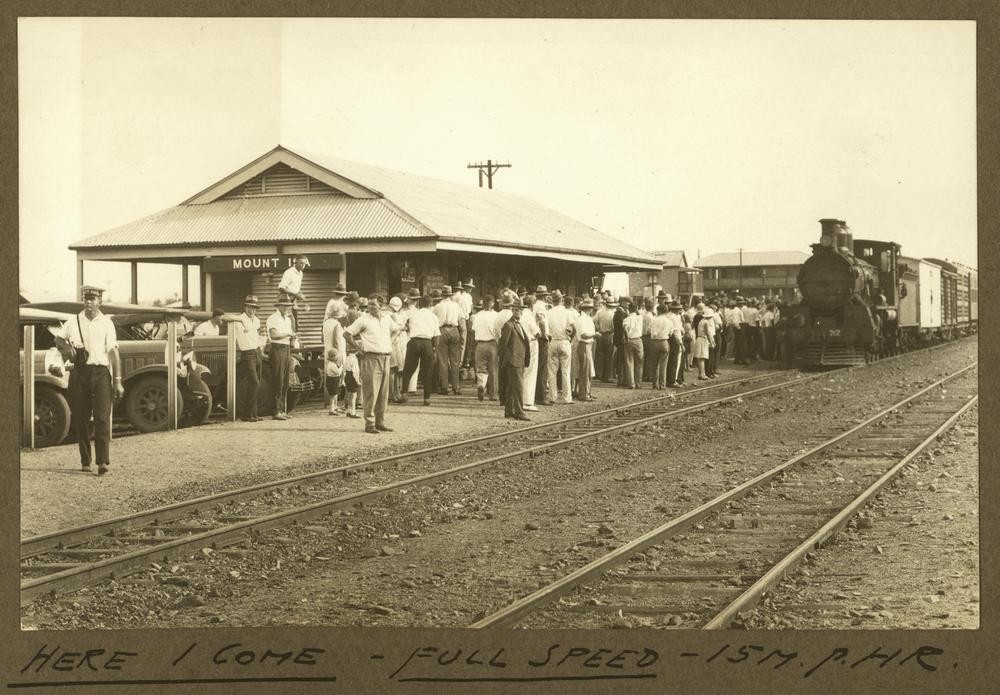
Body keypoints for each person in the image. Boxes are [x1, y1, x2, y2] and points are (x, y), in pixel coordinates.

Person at [55, 285, 123, 475]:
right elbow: (58, 340)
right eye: (86, 299)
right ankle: (86, 460)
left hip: (101, 373)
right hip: (79, 374)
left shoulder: (106, 323)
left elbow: (114, 352)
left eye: (92, 299)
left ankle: (102, 462)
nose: (88, 303)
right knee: (81, 418)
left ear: (100, 301)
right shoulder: (73, 321)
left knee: (102, 417)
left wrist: (117, 381)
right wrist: (67, 348)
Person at [345, 293, 399, 434]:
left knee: (383, 392)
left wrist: (390, 342)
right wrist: (358, 350)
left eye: (373, 304)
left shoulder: (387, 318)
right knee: (371, 391)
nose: (370, 306)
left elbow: (396, 330)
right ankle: (370, 423)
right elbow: (347, 334)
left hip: (386, 357)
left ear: (381, 305)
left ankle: (380, 422)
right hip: (371, 358)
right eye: (369, 304)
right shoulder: (364, 319)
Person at [402, 294, 440, 406]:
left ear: (420, 304)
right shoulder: (433, 317)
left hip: (414, 342)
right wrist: (435, 350)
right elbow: (437, 335)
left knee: (408, 368)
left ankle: (404, 393)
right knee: (427, 371)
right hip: (427, 343)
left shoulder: (414, 315)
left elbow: (408, 327)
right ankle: (426, 398)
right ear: (431, 304)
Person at [497, 296, 530, 421]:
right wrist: (504, 360)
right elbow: (502, 344)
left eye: (521, 310)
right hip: (513, 360)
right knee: (518, 387)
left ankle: (509, 411)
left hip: (518, 359)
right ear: (512, 310)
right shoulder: (509, 325)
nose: (519, 312)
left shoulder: (518, 324)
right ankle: (519, 412)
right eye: (516, 310)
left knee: (511, 386)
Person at [266, 297, 297, 420]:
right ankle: (275, 411)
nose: (286, 308)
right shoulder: (273, 318)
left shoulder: (288, 320)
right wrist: (289, 334)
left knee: (284, 381)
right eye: (283, 305)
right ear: (278, 306)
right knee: (277, 380)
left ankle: (282, 410)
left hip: (286, 349)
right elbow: (274, 335)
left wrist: (293, 337)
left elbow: (290, 337)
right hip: (277, 349)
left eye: (288, 305)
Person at [234, 295, 263, 422]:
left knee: (257, 384)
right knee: (254, 383)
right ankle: (246, 414)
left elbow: (258, 336)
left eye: (254, 308)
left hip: (257, 352)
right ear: (245, 307)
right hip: (247, 353)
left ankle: (254, 414)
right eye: (249, 307)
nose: (252, 310)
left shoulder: (257, 320)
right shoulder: (238, 320)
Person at [432, 284, 463, 395]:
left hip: (442, 331)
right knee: (455, 360)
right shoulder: (456, 305)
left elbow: (433, 321)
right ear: (450, 295)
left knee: (443, 360)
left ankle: (444, 387)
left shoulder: (437, 306)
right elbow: (461, 321)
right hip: (454, 329)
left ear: (442, 295)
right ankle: (456, 387)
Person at [545, 290, 574, 404]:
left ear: (552, 300)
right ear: (562, 300)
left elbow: (546, 330)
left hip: (553, 342)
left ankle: (553, 396)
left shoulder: (548, 313)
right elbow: (572, 328)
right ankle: (567, 398)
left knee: (552, 372)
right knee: (565, 371)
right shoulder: (567, 312)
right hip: (564, 341)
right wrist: (570, 338)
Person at [471, 297, 500, 401]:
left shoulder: (477, 316)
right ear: (492, 304)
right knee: (493, 370)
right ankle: (493, 394)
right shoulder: (496, 316)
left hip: (480, 344)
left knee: (481, 368)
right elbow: (498, 331)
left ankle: (481, 385)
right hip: (492, 344)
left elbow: (473, 330)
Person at [519, 292, 542, 411]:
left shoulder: (521, 315)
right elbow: (538, 333)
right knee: (531, 373)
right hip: (532, 343)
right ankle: (528, 401)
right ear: (532, 305)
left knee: (523, 372)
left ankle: (521, 399)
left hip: (522, 343)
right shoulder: (529, 316)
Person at [322, 304, 346, 415]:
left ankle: (334, 405)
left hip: (328, 352)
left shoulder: (325, 323)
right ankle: (333, 406)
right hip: (336, 354)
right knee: (337, 381)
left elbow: (322, 338)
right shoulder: (337, 324)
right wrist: (338, 357)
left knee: (330, 380)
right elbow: (337, 341)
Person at [574, 298, 597, 401]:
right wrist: (595, 335)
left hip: (587, 345)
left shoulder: (586, 318)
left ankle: (587, 392)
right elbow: (583, 334)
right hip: (584, 345)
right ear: (589, 309)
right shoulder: (583, 319)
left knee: (588, 370)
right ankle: (584, 394)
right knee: (585, 371)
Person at [532, 285, 551, 403]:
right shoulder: (541, 307)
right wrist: (545, 336)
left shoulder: (535, 306)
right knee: (543, 368)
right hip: (542, 338)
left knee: (538, 366)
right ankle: (541, 396)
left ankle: (537, 394)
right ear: (544, 296)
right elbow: (542, 321)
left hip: (537, 336)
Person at [648, 303, 671, 390]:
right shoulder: (669, 321)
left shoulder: (653, 320)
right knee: (663, 365)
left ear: (658, 311)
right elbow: (671, 333)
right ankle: (662, 385)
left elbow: (648, 330)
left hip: (654, 342)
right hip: (664, 342)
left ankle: (655, 384)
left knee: (654, 364)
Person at [622, 301, 644, 388]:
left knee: (629, 362)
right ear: (636, 309)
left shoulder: (626, 319)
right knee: (639, 362)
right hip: (638, 340)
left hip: (630, 340)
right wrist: (636, 309)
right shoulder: (640, 317)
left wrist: (627, 337)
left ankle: (631, 383)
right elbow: (637, 313)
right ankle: (638, 383)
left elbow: (625, 329)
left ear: (629, 309)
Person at [593, 295, 615, 381]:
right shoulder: (613, 314)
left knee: (599, 355)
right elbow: (614, 326)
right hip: (609, 334)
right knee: (608, 356)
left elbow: (593, 320)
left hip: (600, 334)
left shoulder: (599, 312)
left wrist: (597, 327)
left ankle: (598, 374)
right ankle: (607, 376)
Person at [694, 306, 717, 380]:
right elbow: (708, 333)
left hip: (699, 339)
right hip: (703, 340)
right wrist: (712, 342)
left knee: (700, 358)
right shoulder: (706, 322)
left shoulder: (702, 321)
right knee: (702, 358)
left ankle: (702, 373)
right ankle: (702, 374)